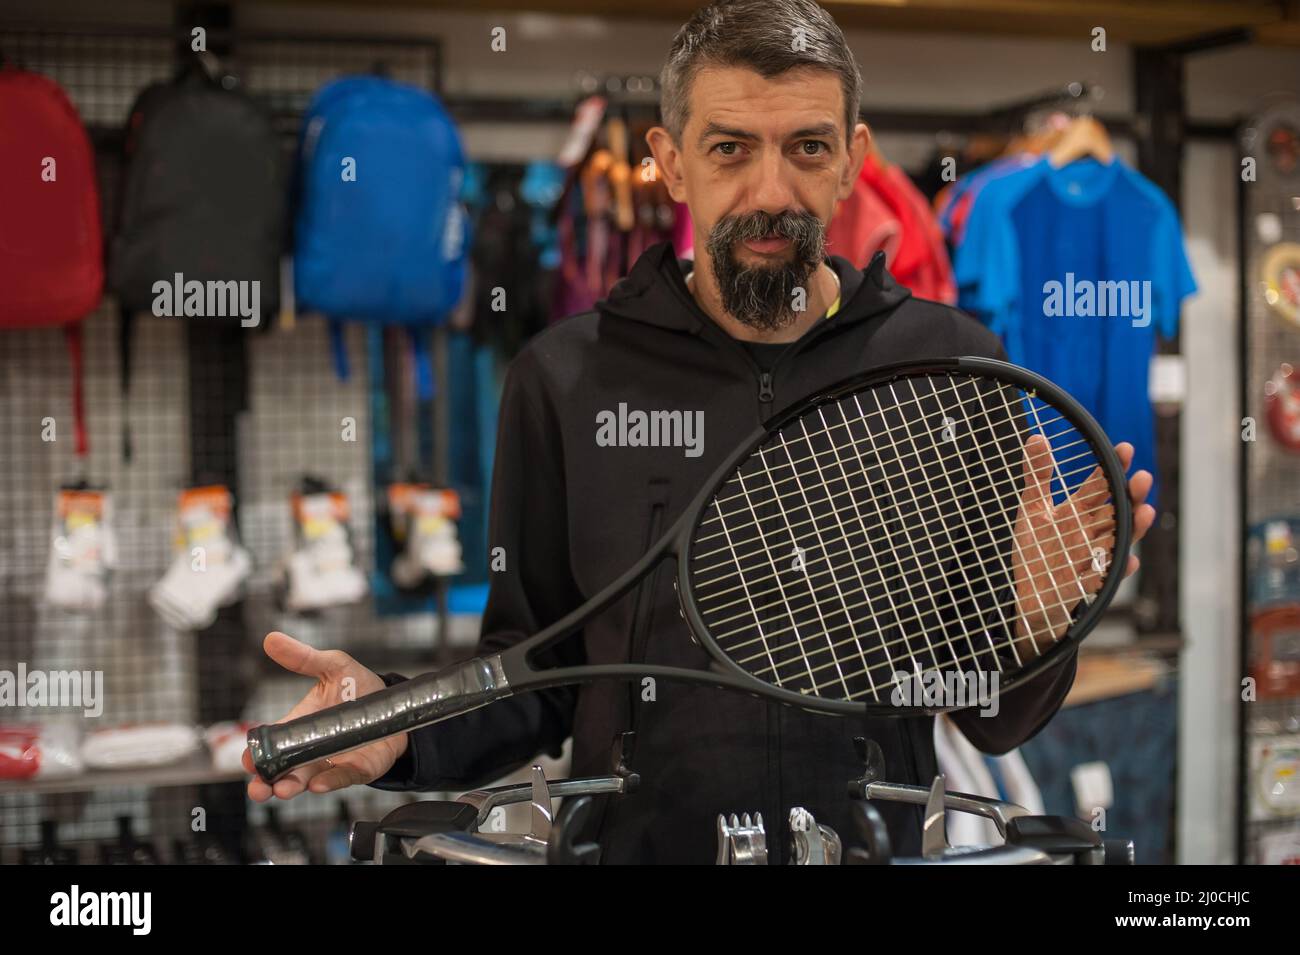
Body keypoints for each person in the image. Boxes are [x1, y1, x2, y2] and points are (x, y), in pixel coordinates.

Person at [243, 0, 1155, 863]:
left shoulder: (953, 367)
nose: (771, 190)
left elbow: (990, 719)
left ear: (853, 161)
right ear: (672, 162)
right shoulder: (564, 377)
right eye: (730, 149)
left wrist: (1035, 633)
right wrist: (395, 727)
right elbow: (535, 682)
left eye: (807, 148)